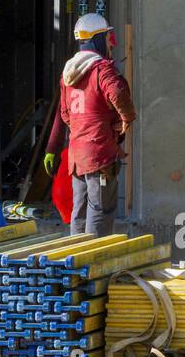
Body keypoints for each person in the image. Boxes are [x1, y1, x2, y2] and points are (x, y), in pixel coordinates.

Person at [44, 13, 137, 236]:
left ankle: (76, 261)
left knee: (81, 211)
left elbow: (65, 114)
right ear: (97, 39)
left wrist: (54, 148)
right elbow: (117, 92)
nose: (110, 43)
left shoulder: (69, 73)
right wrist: (126, 118)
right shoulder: (101, 69)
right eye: (107, 38)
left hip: (77, 157)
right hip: (100, 155)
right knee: (100, 210)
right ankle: (94, 263)